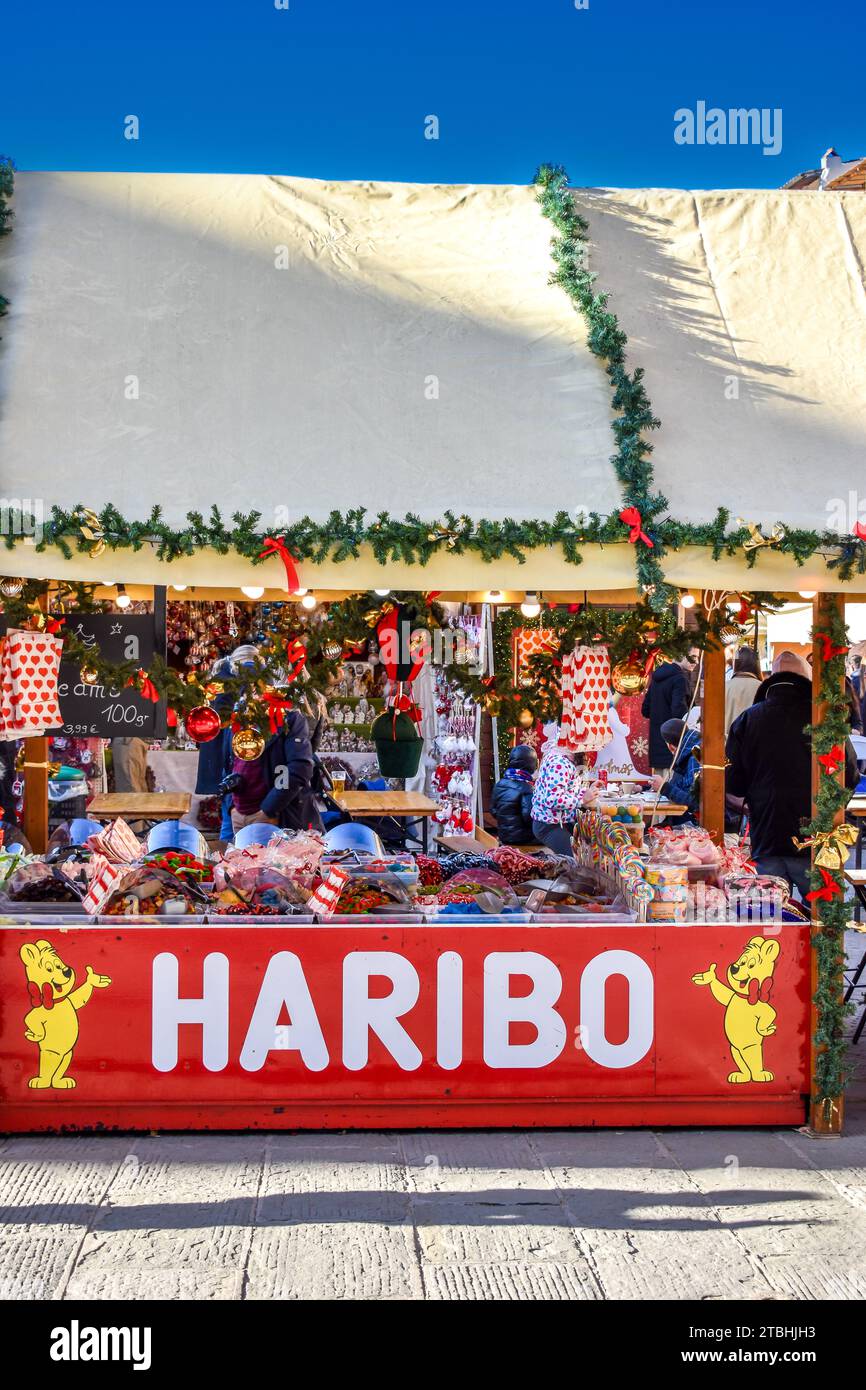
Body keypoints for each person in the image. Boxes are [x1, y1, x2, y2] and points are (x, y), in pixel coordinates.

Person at [726, 650, 857, 899]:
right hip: (814, 836)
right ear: (806, 679)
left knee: (771, 920)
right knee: (821, 921)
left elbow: (734, 782)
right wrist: (831, 811)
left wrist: (752, 803)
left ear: (771, 679)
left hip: (766, 833)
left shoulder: (747, 719)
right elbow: (849, 774)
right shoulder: (822, 719)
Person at [222, 706, 322, 834]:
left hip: (273, 817)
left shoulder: (290, 718)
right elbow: (229, 765)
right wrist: (232, 806)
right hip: (238, 815)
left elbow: (299, 767)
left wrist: (269, 808)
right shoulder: (236, 718)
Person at [530, 736, 604, 856]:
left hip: (560, 821)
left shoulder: (565, 757)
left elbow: (567, 792)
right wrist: (582, 799)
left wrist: (587, 792)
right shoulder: (559, 763)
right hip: (549, 825)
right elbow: (552, 799)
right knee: (578, 857)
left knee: (587, 852)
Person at [641, 651, 697, 774]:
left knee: (659, 789)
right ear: (681, 654)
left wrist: (660, 714)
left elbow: (645, 710)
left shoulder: (657, 678)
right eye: (693, 657)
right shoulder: (680, 679)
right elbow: (679, 712)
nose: (696, 662)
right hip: (673, 745)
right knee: (670, 788)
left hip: (657, 745)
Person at [657, 718, 701, 823]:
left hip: (697, 823)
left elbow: (695, 803)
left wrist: (664, 787)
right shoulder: (691, 752)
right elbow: (680, 785)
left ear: (671, 747)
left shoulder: (694, 759)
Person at [492, 745, 538, 845]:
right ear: (531, 764)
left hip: (504, 836)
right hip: (525, 839)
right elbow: (529, 817)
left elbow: (493, 810)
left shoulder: (499, 784)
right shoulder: (527, 788)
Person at [724, 647, 763, 736]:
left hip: (726, 745)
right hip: (754, 746)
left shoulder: (724, 687)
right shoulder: (763, 688)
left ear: (735, 664)